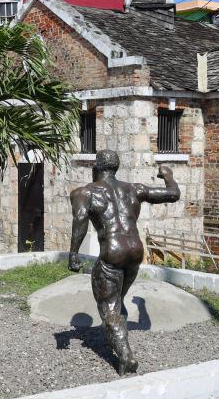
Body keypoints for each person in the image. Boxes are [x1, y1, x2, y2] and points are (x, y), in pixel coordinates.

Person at [68, 150, 179, 375]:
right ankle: (117, 339)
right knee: (118, 300)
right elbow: (172, 194)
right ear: (116, 168)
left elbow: (80, 220)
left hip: (113, 252)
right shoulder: (133, 189)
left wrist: (73, 253)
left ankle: (126, 357)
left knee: (108, 306)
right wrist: (167, 174)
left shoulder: (85, 193)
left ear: (96, 167)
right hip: (136, 251)